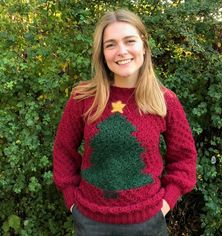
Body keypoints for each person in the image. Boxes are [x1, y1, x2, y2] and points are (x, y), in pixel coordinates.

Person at [53, 9, 197, 236]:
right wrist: (71, 199)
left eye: (129, 41)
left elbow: (184, 157)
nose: (121, 51)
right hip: (90, 221)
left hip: (148, 222)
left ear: (143, 46)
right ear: (102, 53)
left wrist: (166, 204)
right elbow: (63, 150)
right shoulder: (83, 98)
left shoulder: (164, 100)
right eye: (110, 44)